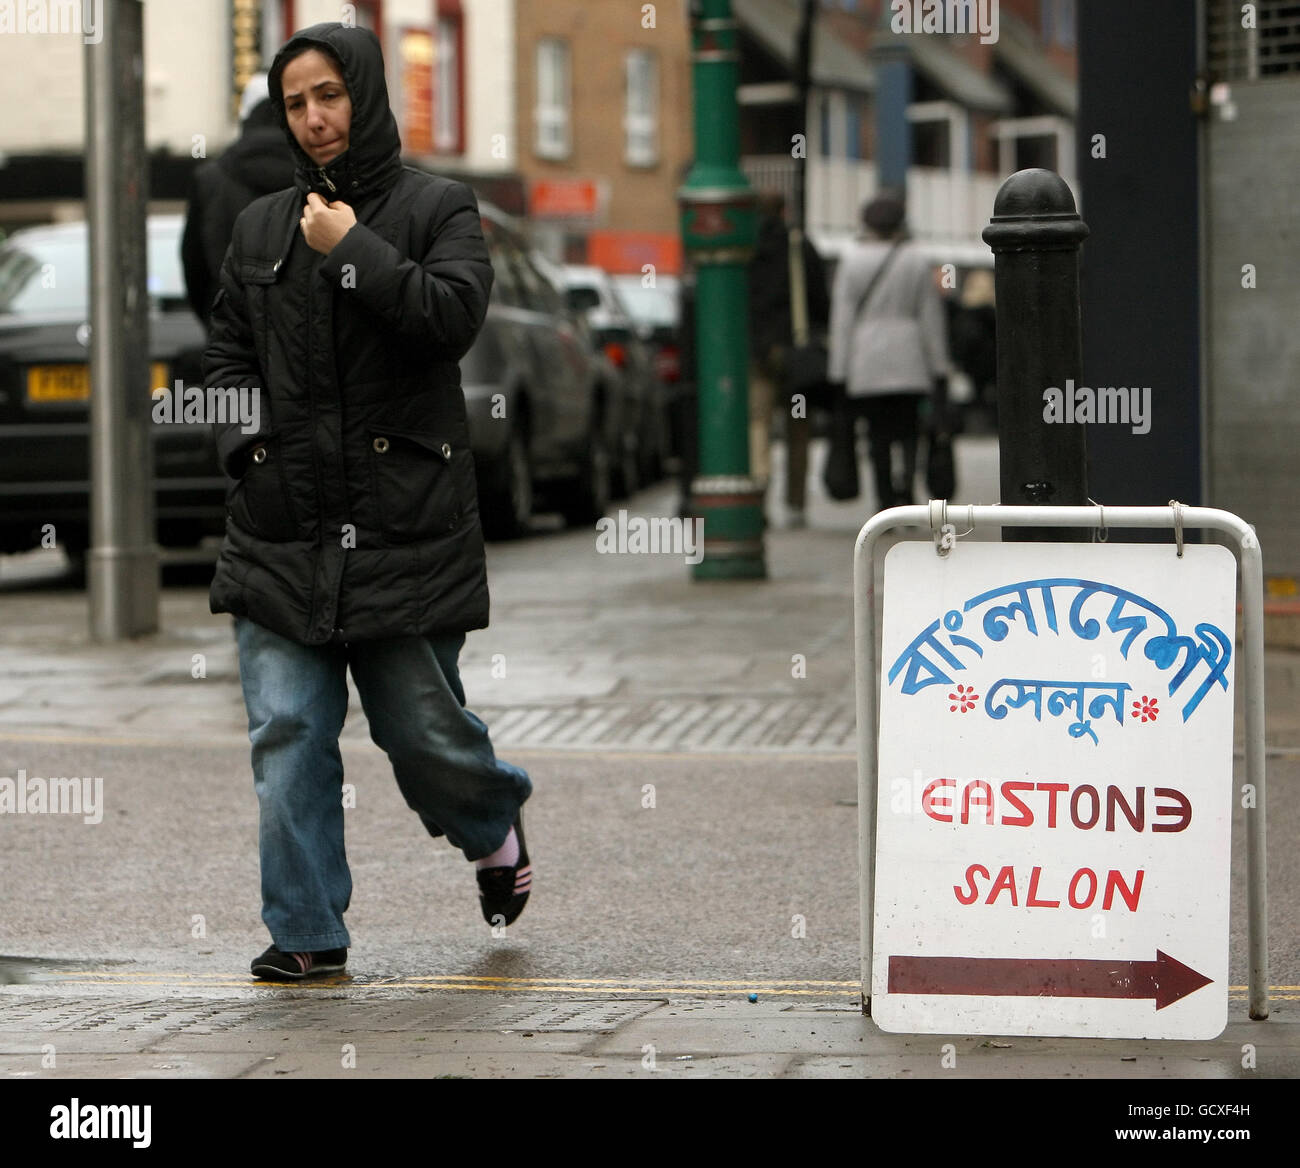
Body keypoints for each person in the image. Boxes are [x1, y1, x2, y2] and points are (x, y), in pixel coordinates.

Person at [204, 22, 533, 981]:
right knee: (289, 731)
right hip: (281, 529)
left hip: (402, 527)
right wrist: (246, 448)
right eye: (296, 102)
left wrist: (353, 247)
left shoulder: (439, 206)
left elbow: (450, 319)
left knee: (423, 736)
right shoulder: (259, 225)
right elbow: (225, 355)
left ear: (366, 94)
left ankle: (491, 822)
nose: (312, 119)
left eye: (329, 97)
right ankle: (306, 933)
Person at [826, 191, 950, 509]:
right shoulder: (915, 259)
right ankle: (906, 489)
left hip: (866, 359)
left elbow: (842, 320)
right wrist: (939, 366)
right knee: (909, 431)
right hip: (909, 358)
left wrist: (838, 370)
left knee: (876, 435)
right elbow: (930, 317)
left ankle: (884, 500)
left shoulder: (851, 260)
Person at [181, 73, 296, 332]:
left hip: (231, 333)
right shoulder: (319, 174)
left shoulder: (211, 179)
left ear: (245, 117)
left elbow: (194, 266)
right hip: (302, 337)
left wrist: (214, 321)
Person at [747, 190, 829, 527]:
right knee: (798, 431)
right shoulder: (801, 247)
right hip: (795, 353)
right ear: (785, 209)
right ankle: (795, 504)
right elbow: (821, 300)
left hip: (757, 351)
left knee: (758, 425)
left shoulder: (746, 247)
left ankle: (758, 495)